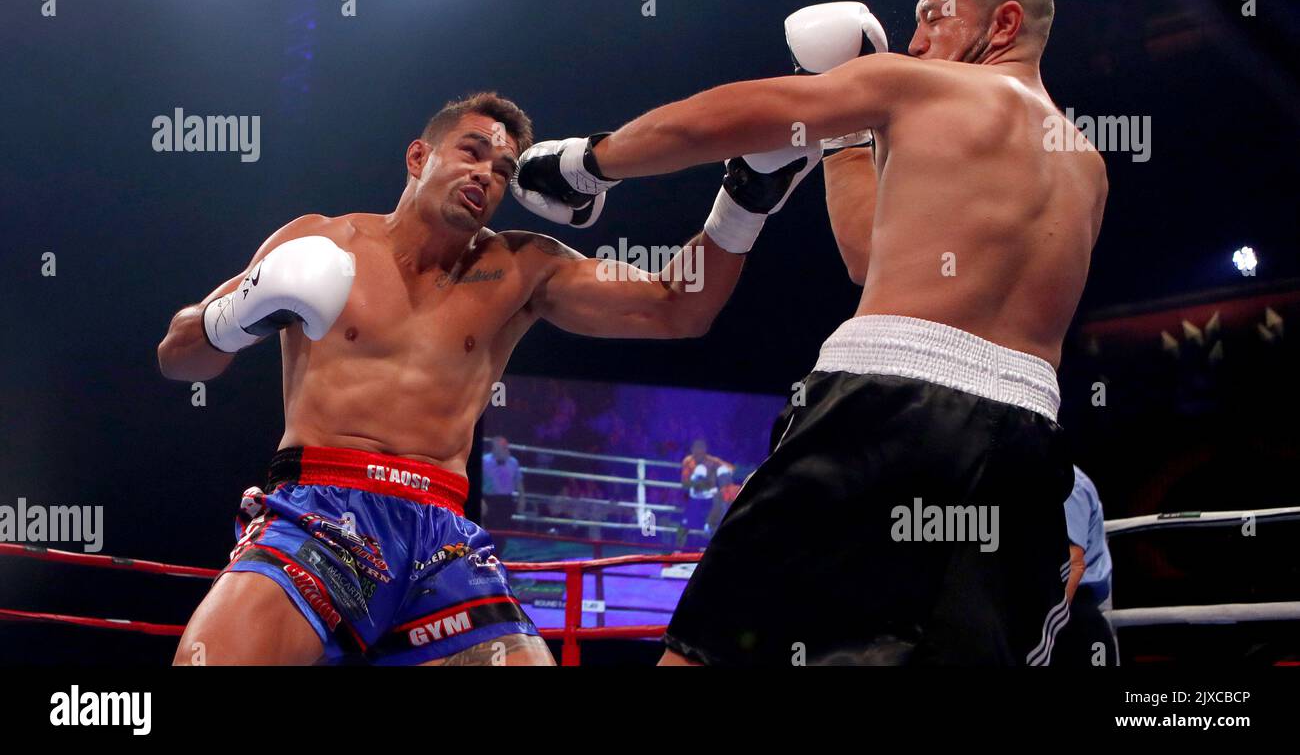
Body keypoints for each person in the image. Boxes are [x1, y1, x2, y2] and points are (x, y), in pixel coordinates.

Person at [515, 0, 1108, 665]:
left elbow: (731, 117)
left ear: (1005, 21)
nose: (916, 39)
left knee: (710, 649)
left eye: (932, 18)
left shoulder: (920, 86)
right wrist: (852, 136)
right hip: (1023, 445)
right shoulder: (1086, 162)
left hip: (884, 405)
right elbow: (870, 255)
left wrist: (586, 161)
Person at [158, 90, 812, 665]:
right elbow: (178, 356)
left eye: (502, 170)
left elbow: (680, 307)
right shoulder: (324, 241)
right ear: (419, 157)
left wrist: (746, 197)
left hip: (442, 541)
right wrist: (230, 318)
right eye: (470, 152)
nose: (485, 174)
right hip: (322, 512)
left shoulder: (521, 268)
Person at [1054, 466, 1119, 666]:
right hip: (1051, 613)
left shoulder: (1067, 483)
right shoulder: (1025, 481)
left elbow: (1073, 565)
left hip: (1073, 615)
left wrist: (1050, 626)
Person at [678, 440, 734, 548]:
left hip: (710, 496)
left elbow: (730, 468)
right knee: (685, 524)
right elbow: (685, 483)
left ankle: (713, 528)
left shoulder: (712, 461)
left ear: (705, 450)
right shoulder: (688, 462)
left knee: (721, 495)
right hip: (694, 495)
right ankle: (679, 547)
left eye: (701, 448)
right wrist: (699, 483)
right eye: (697, 448)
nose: (699, 451)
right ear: (692, 449)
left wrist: (719, 474)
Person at [481, 436, 524, 531]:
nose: (505, 449)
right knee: (487, 529)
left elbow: (519, 482)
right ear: (494, 449)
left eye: (506, 447)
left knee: (504, 530)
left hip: (506, 500)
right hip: (489, 499)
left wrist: (521, 499)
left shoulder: (513, 462)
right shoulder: (484, 461)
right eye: (502, 447)